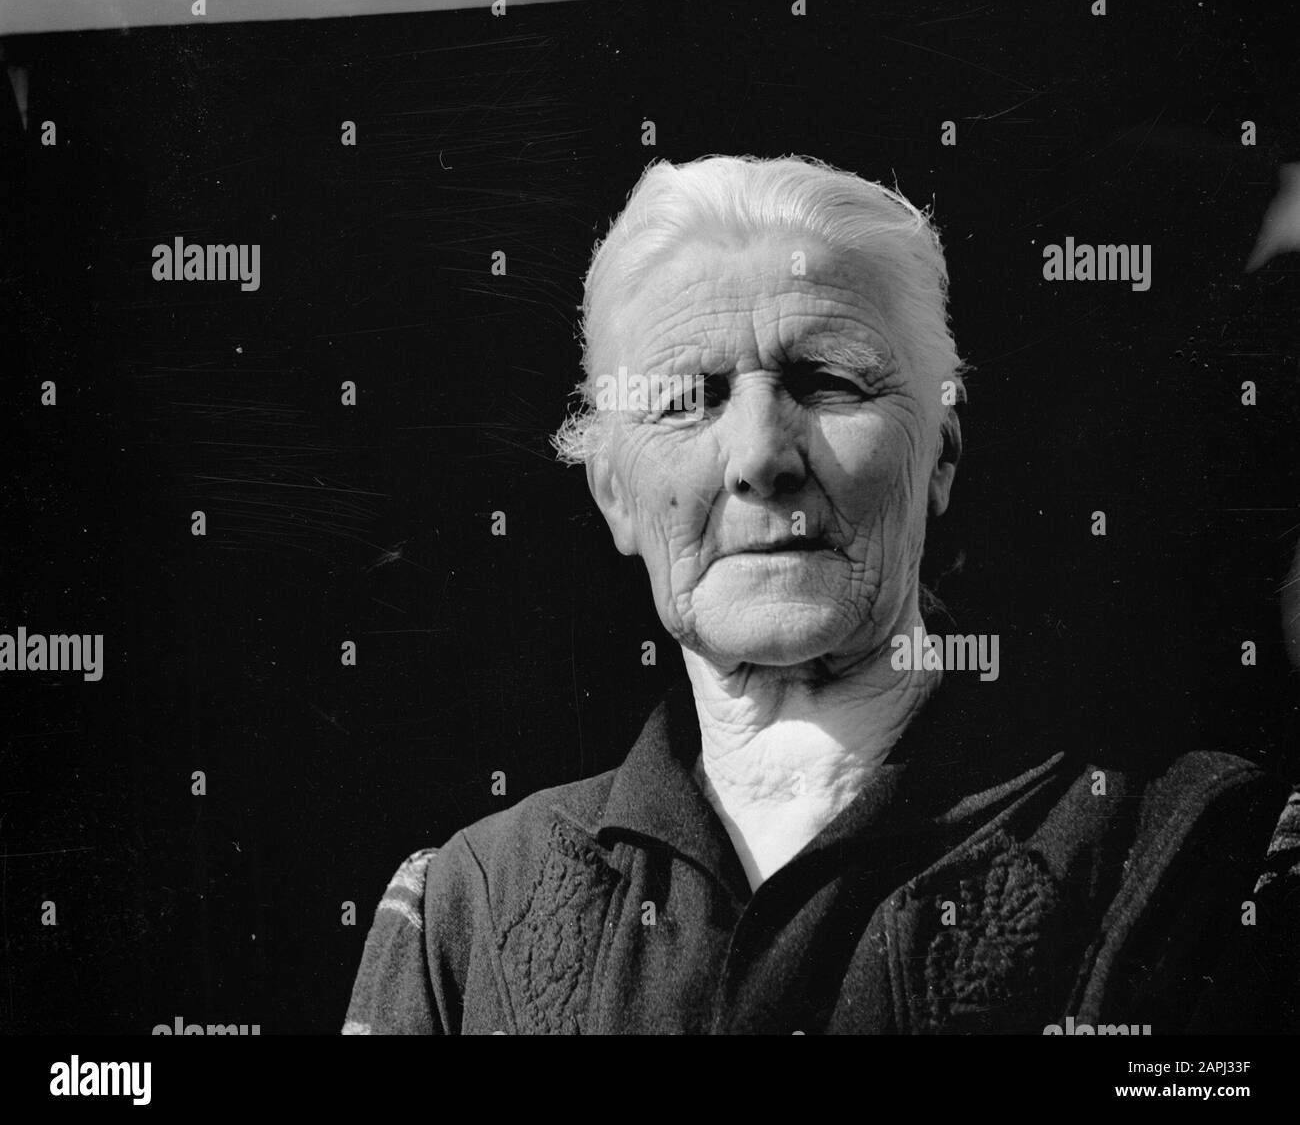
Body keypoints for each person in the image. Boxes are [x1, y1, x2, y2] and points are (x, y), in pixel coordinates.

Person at [344, 154, 1287, 1035]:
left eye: (828, 380)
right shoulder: (464, 913)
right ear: (615, 497)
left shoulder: (1207, 855)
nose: (760, 457)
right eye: (686, 401)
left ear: (940, 459)